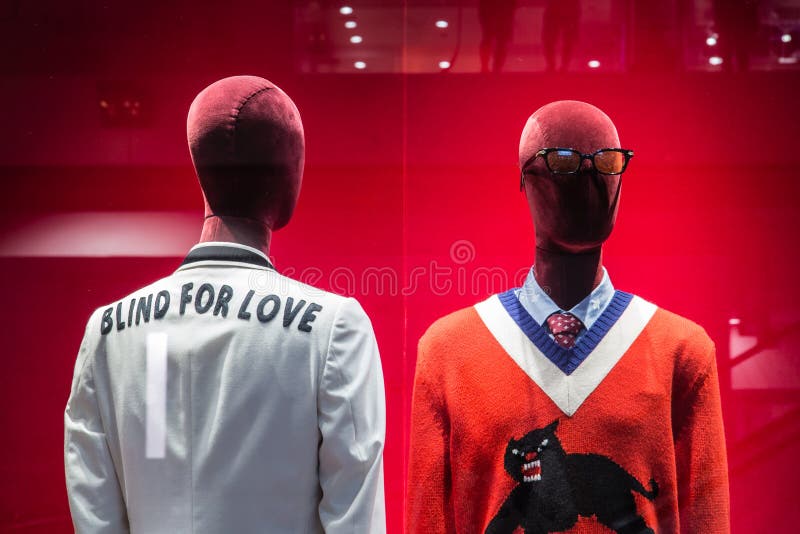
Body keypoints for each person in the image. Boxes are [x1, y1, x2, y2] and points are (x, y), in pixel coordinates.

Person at [64, 75, 386, 533]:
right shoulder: (335, 328)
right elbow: (355, 520)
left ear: (201, 171)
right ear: (288, 175)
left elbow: (96, 518)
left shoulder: (108, 332)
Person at [406, 100, 729, 533]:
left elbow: (706, 519)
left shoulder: (682, 353)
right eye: (564, 163)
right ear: (526, 179)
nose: (591, 180)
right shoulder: (448, 352)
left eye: (608, 164)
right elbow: (428, 519)